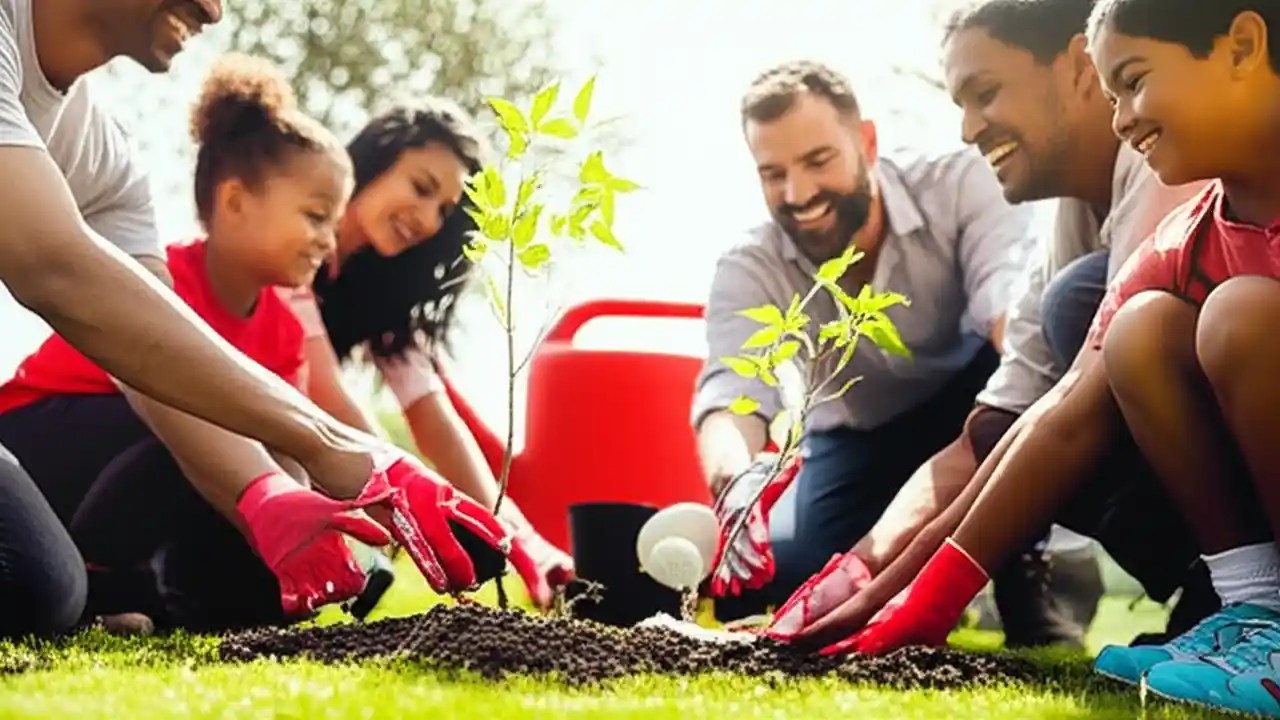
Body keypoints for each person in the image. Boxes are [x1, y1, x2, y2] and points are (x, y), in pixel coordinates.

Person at [776, 0, 1280, 696]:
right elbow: (1058, 411)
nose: (1122, 117)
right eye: (1113, 95)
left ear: (1242, 46)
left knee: (1232, 316)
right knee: (1137, 331)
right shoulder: (1189, 230)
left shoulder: (1165, 185)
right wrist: (910, 590)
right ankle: (1256, 614)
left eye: (1134, 82)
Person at [0, 0, 511, 639]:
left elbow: (156, 362)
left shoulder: (107, 162)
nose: (214, 10)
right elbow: (53, 265)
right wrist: (335, 447)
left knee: (36, 586)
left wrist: (265, 492)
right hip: (37, 436)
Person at [691, 59, 1036, 616]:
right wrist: (734, 479)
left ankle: (1025, 561)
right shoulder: (750, 265)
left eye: (817, 161)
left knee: (1022, 394)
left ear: (867, 143)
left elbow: (1010, 312)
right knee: (774, 581)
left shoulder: (960, 185)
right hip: (856, 436)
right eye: (773, 174)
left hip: (975, 400)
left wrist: (1030, 417)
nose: (798, 193)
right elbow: (733, 389)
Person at [282, 99, 574, 609]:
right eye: (421, 188)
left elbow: (432, 415)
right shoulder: (289, 239)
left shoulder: (379, 289)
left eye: (444, 210)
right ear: (373, 163)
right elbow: (327, 394)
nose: (429, 220)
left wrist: (523, 543)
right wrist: (416, 499)